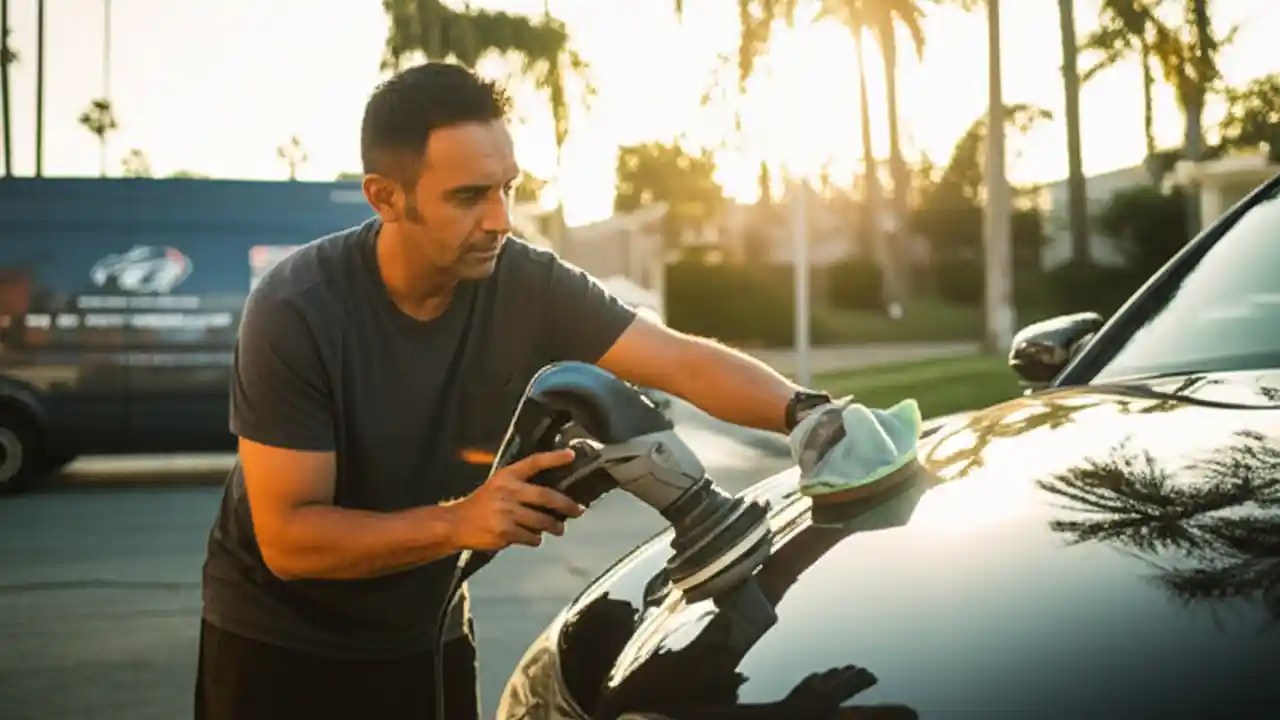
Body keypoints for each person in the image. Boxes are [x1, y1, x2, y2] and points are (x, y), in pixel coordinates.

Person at [194, 61, 838, 720]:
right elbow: (290, 539)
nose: (500, 220)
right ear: (386, 198)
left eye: (508, 188)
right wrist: (462, 521)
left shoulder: (526, 283)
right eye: (468, 197)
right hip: (277, 644)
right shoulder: (298, 308)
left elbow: (680, 362)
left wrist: (811, 416)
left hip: (427, 628)